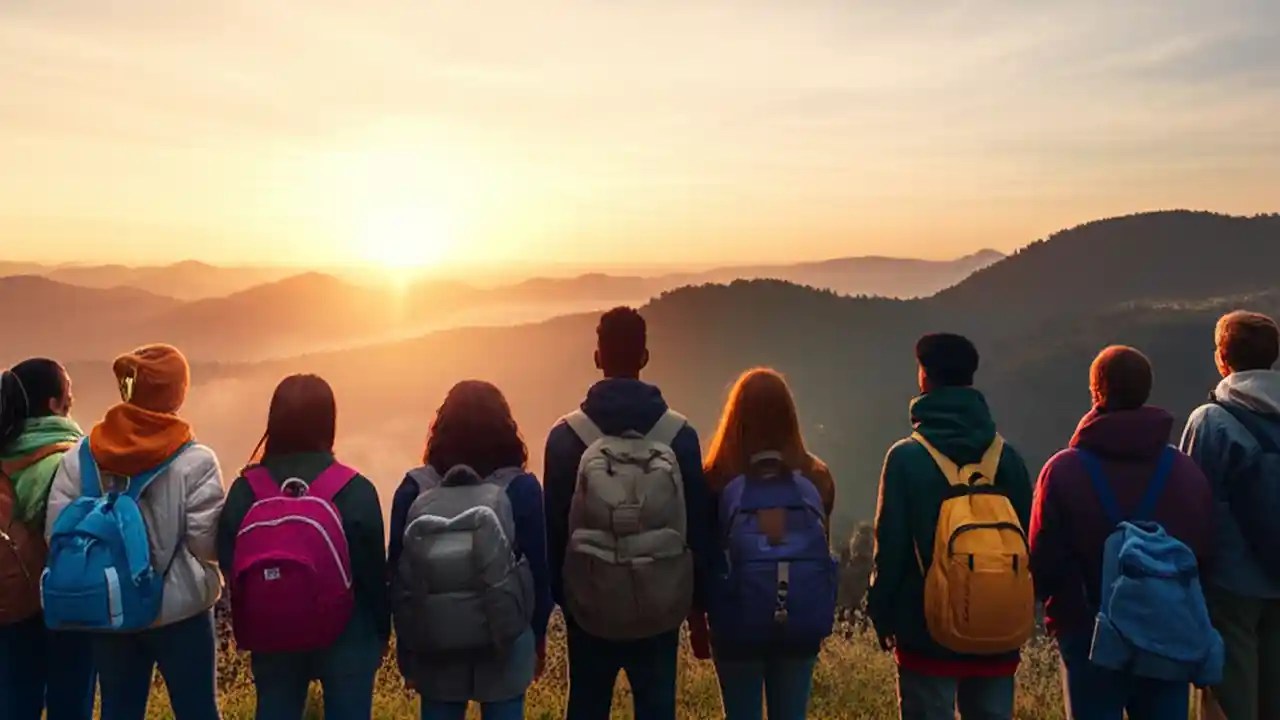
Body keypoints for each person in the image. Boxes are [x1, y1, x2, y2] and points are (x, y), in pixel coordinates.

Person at [543, 306, 714, 720]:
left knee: (585, 706)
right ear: (645, 357)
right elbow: (700, 531)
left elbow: (554, 533)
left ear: (598, 356)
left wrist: (564, 600)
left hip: (590, 603)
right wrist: (697, 611)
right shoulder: (680, 437)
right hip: (659, 603)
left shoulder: (566, 438)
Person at [1030, 346, 1216, 719]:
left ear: (1097, 392)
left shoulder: (1063, 472)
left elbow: (1042, 561)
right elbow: (1204, 550)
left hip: (1088, 631)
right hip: (1167, 629)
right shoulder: (1185, 471)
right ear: (1146, 391)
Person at [44, 344, 225, 720]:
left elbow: (56, 535)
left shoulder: (79, 457)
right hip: (182, 614)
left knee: (119, 711)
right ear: (178, 393)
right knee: (197, 711)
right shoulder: (196, 461)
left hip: (111, 609)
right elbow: (208, 544)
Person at [867, 333, 1033, 720]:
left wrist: (882, 612)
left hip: (925, 630)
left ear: (924, 377)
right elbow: (1028, 539)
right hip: (997, 625)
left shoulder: (907, 457)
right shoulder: (1006, 457)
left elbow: (889, 548)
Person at [216, 374, 389, 720]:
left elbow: (228, 561)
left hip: (273, 631)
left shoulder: (245, 490)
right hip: (348, 633)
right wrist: (382, 633)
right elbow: (374, 575)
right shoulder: (356, 489)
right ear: (330, 422)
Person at [389, 380, 552, 720]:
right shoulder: (520, 489)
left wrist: (407, 646)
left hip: (435, 646)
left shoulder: (415, 489)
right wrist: (536, 639)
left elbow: (398, 577)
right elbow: (539, 575)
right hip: (504, 642)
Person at [700, 368, 837, 720]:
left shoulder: (715, 479)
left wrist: (697, 621)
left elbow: (704, 558)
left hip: (736, 625)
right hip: (799, 622)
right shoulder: (817, 479)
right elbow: (822, 555)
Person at [1181, 311, 1280, 720]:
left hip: (1231, 581)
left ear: (1222, 359)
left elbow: (1189, 505)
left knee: (1231, 697)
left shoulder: (1211, 420)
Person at [0, 359, 95, 720]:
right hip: (66, 601)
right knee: (71, 701)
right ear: (56, 404)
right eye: (68, 391)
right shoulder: (73, 457)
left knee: (14, 702)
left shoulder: (5, 453)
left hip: (10, 601)